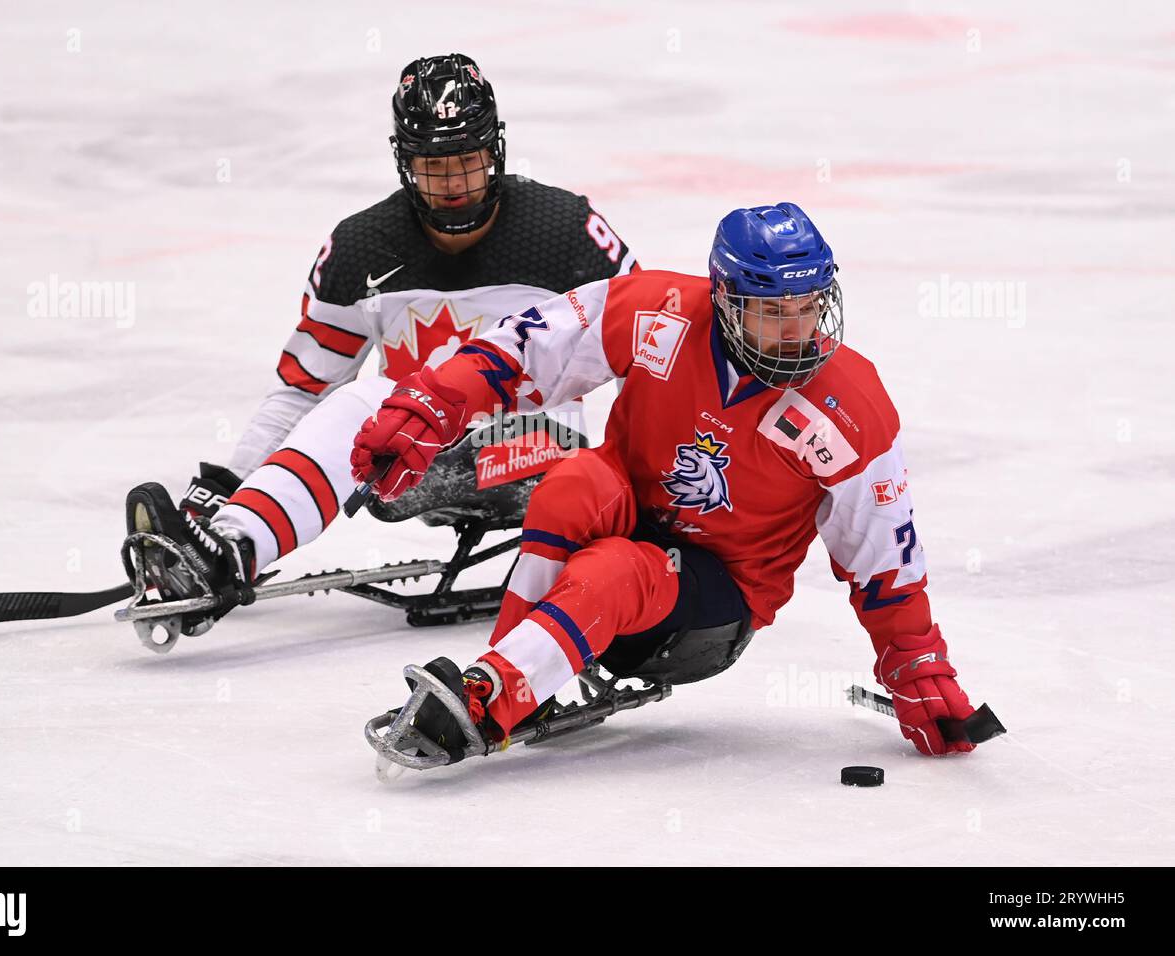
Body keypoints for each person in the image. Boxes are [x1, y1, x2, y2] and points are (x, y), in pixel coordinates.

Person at [353, 202, 982, 759]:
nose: (797, 332)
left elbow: (883, 556)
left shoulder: (849, 406)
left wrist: (915, 661)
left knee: (614, 569)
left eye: (808, 307)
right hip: (632, 507)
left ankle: (497, 698)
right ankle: (507, 674)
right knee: (570, 488)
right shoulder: (661, 314)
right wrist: (432, 404)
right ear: (725, 300)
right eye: (771, 311)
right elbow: (528, 347)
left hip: (714, 602)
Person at [123, 53, 636, 635]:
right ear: (403, 163)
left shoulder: (565, 228)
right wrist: (226, 487)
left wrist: (642, 485)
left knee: (368, 402)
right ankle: (232, 551)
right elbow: (304, 390)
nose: (453, 186)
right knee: (363, 402)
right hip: (409, 459)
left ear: (494, 152)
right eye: (432, 166)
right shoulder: (361, 247)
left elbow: (648, 352)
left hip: (544, 452)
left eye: (467, 162)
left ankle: (237, 546)